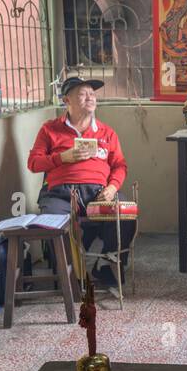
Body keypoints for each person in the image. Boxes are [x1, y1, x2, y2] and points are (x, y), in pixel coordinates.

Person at [27, 77, 133, 285]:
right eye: (83, 94)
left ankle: (106, 265)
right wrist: (62, 158)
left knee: (125, 213)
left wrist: (112, 188)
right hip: (61, 194)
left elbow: (120, 165)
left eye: (92, 94)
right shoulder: (49, 130)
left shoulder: (107, 132)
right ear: (67, 101)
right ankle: (70, 273)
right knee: (53, 223)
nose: (90, 98)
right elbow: (33, 163)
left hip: (98, 193)